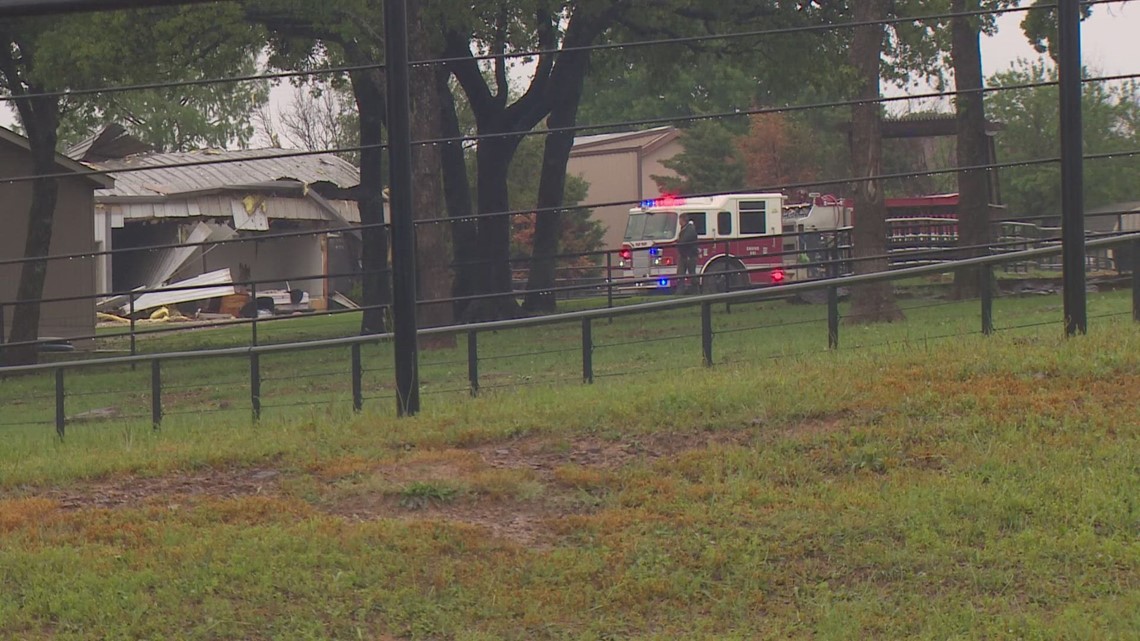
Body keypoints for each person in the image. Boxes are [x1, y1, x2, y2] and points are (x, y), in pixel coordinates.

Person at [676, 213, 699, 293]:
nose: (679, 221)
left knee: (691, 273)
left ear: (683, 220)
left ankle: (696, 290)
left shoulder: (690, 229)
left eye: (680, 219)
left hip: (689, 255)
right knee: (681, 273)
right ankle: (680, 291)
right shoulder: (685, 228)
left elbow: (685, 240)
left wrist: (678, 242)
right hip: (684, 255)